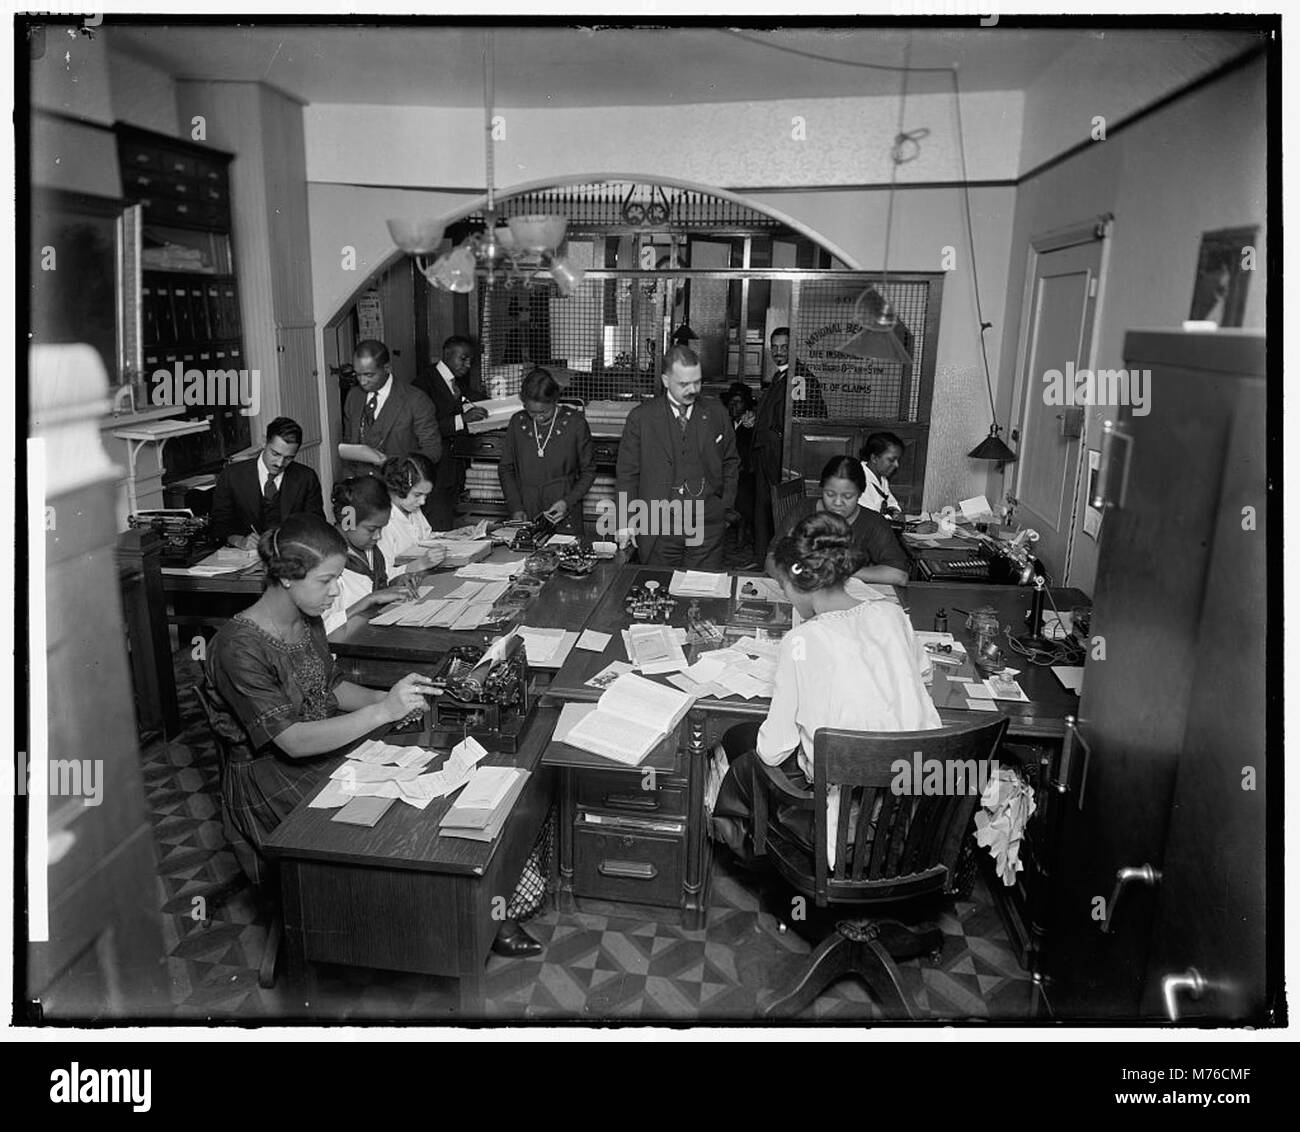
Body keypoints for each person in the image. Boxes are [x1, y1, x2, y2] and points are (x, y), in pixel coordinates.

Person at [203, 513, 542, 957]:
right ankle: (437, 932)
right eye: (327, 580)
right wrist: (384, 710)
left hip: (322, 753)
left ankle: (474, 919)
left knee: (437, 782)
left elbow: (333, 687)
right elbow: (291, 740)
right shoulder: (237, 646)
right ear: (286, 577)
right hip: (273, 780)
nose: (335, 592)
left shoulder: (307, 616)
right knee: (403, 819)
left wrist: (404, 696)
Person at [710, 511, 941, 868]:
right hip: (910, 807)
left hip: (843, 819)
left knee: (745, 756)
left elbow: (772, 752)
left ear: (800, 581)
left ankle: (754, 863)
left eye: (783, 584)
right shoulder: (892, 615)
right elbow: (925, 676)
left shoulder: (801, 641)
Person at [614, 344, 739, 569]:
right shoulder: (641, 419)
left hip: (707, 526)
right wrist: (625, 522)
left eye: (697, 382)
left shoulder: (716, 413)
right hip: (659, 527)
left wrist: (725, 508)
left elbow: (731, 462)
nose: (692, 390)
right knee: (659, 590)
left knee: (701, 594)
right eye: (684, 384)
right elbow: (627, 474)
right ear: (665, 380)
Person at [772, 456, 911, 587]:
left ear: (860, 494)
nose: (838, 503)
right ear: (822, 489)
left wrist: (836, 571)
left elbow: (899, 575)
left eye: (848, 496)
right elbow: (772, 559)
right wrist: (792, 583)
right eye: (830, 494)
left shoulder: (872, 522)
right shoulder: (802, 511)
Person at [751, 326, 828, 561]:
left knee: (778, 509)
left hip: (781, 455)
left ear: (793, 348)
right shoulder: (780, 375)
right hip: (769, 452)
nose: (778, 352)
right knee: (764, 507)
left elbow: (800, 419)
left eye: (784, 347)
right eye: (774, 347)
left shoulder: (798, 378)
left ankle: (776, 558)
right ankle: (764, 557)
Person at [498, 367, 596, 537]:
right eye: (531, 412)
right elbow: (506, 468)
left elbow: (589, 471)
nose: (538, 417)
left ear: (555, 400)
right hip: (526, 510)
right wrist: (515, 507)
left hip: (564, 512)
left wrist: (568, 502)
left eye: (544, 412)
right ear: (523, 402)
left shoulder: (575, 423)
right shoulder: (517, 422)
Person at [209, 417, 324, 548]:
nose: (280, 463)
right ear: (264, 442)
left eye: (289, 458)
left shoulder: (306, 478)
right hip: (245, 556)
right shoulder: (232, 475)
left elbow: (316, 525)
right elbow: (219, 524)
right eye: (275, 454)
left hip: (290, 554)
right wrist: (239, 540)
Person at [413, 335, 490, 530]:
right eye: (463, 358)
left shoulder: (458, 384)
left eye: (470, 360)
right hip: (435, 470)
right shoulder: (423, 384)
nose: (467, 364)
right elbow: (422, 428)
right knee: (437, 522)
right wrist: (462, 420)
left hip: (454, 469)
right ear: (447, 354)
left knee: (449, 522)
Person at [321, 475, 413, 635]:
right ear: (347, 519)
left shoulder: (371, 552)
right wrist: (369, 600)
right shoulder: (324, 560)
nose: (378, 536)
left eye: (381, 529)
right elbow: (319, 629)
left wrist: (394, 583)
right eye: (371, 529)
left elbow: (373, 582)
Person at [338, 339, 442, 479]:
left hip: (399, 489)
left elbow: (433, 451)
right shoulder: (353, 396)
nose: (362, 382)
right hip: (360, 488)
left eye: (369, 375)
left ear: (387, 368)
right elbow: (349, 442)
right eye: (358, 374)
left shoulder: (416, 400)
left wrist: (394, 464)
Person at [376, 454, 449, 577]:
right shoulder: (382, 523)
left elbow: (423, 537)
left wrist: (448, 536)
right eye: (417, 495)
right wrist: (420, 564)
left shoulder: (412, 509)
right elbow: (383, 575)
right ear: (397, 487)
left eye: (426, 495)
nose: (422, 502)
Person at [725, 381, 758, 564]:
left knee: (744, 492)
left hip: (746, 473)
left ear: (746, 405)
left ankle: (742, 536)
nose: (733, 406)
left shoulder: (752, 424)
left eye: (738, 402)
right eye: (731, 402)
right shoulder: (725, 422)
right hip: (726, 472)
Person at [860, 431, 904, 518]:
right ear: (874, 458)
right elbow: (873, 521)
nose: (896, 465)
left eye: (897, 460)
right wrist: (913, 529)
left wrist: (895, 512)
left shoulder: (881, 478)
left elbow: (890, 501)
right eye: (891, 460)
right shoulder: (860, 482)